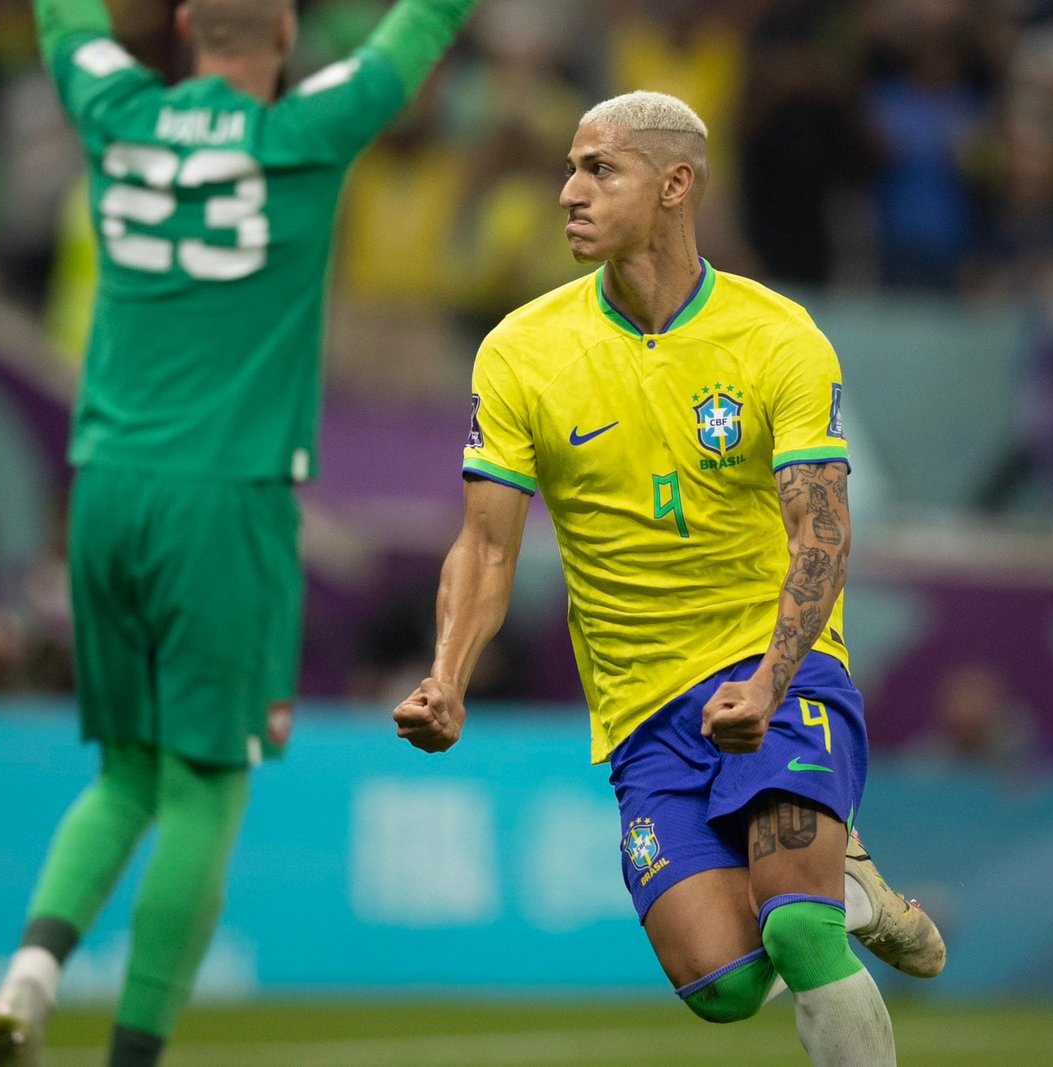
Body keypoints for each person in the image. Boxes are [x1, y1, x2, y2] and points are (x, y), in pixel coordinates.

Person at [393, 91, 943, 1066]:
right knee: (725, 985)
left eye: (598, 169)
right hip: (643, 711)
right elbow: (483, 546)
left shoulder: (777, 337)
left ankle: (822, 895)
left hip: (778, 672)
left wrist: (772, 679)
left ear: (675, 183)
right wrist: (448, 674)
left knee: (796, 931)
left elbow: (821, 533)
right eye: (568, 166)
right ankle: (848, 883)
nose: (566, 191)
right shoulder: (522, 349)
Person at [0, 2, 479, 1065]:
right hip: (227, 495)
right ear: (285, 35)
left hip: (105, 484)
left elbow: (62, 17)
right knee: (207, 782)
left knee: (125, 771)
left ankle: (31, 967)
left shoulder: (115, 106)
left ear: (180, 26)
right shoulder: (302, 130)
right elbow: (423, 25)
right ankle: (131, 1053)